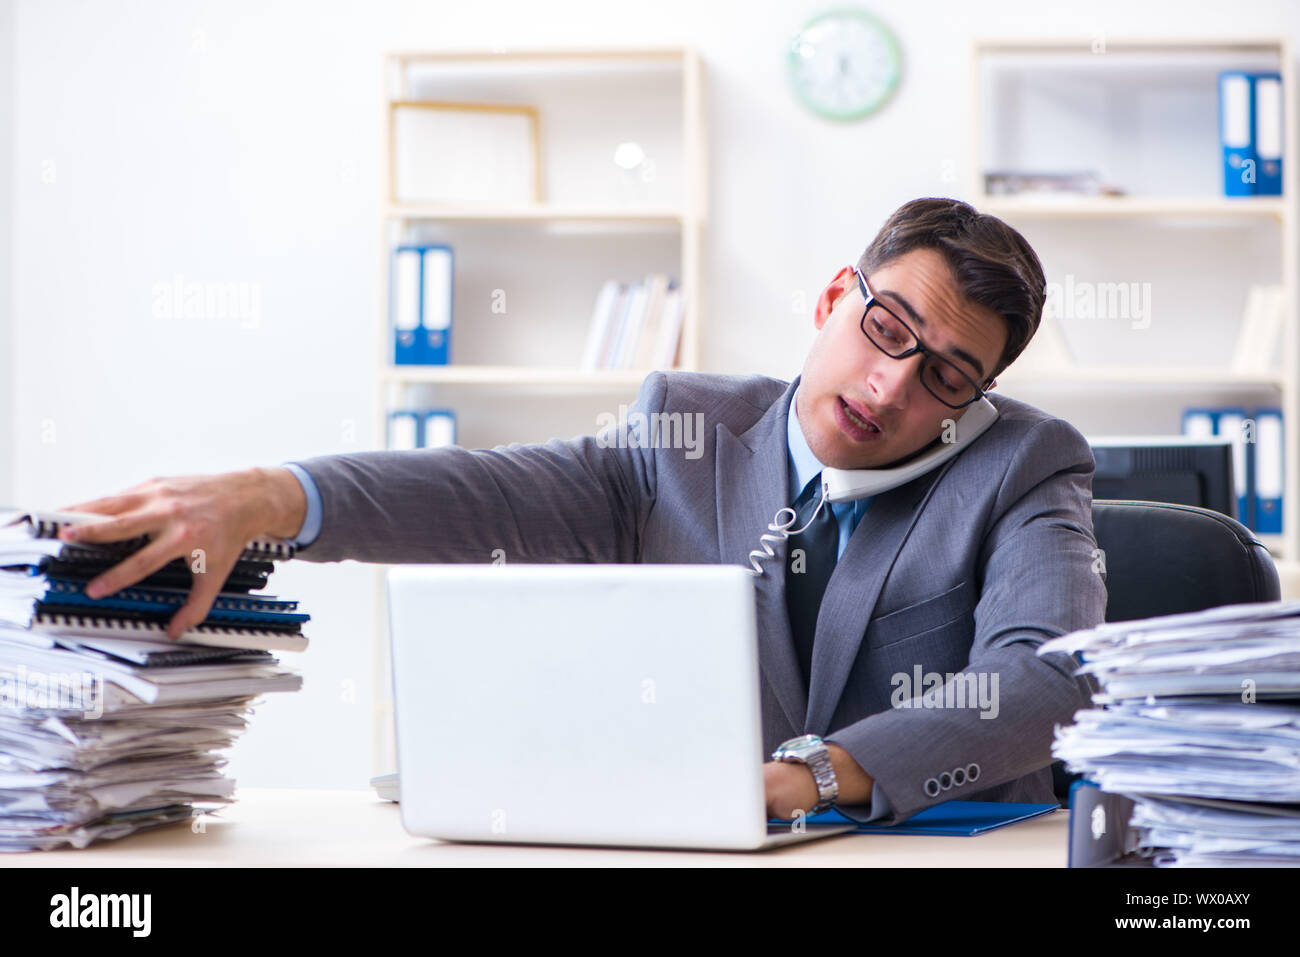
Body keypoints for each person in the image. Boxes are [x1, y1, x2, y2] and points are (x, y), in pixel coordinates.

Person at [55, 198, 1106, 825]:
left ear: (980, 400)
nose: (890, 390)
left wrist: (808, 777)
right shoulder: (680, 433)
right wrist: (269, 496)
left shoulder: (1023, 464)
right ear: (835, 299)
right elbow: (486, 494)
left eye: (946, 377)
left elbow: (1046, 674)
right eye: (886, 328)